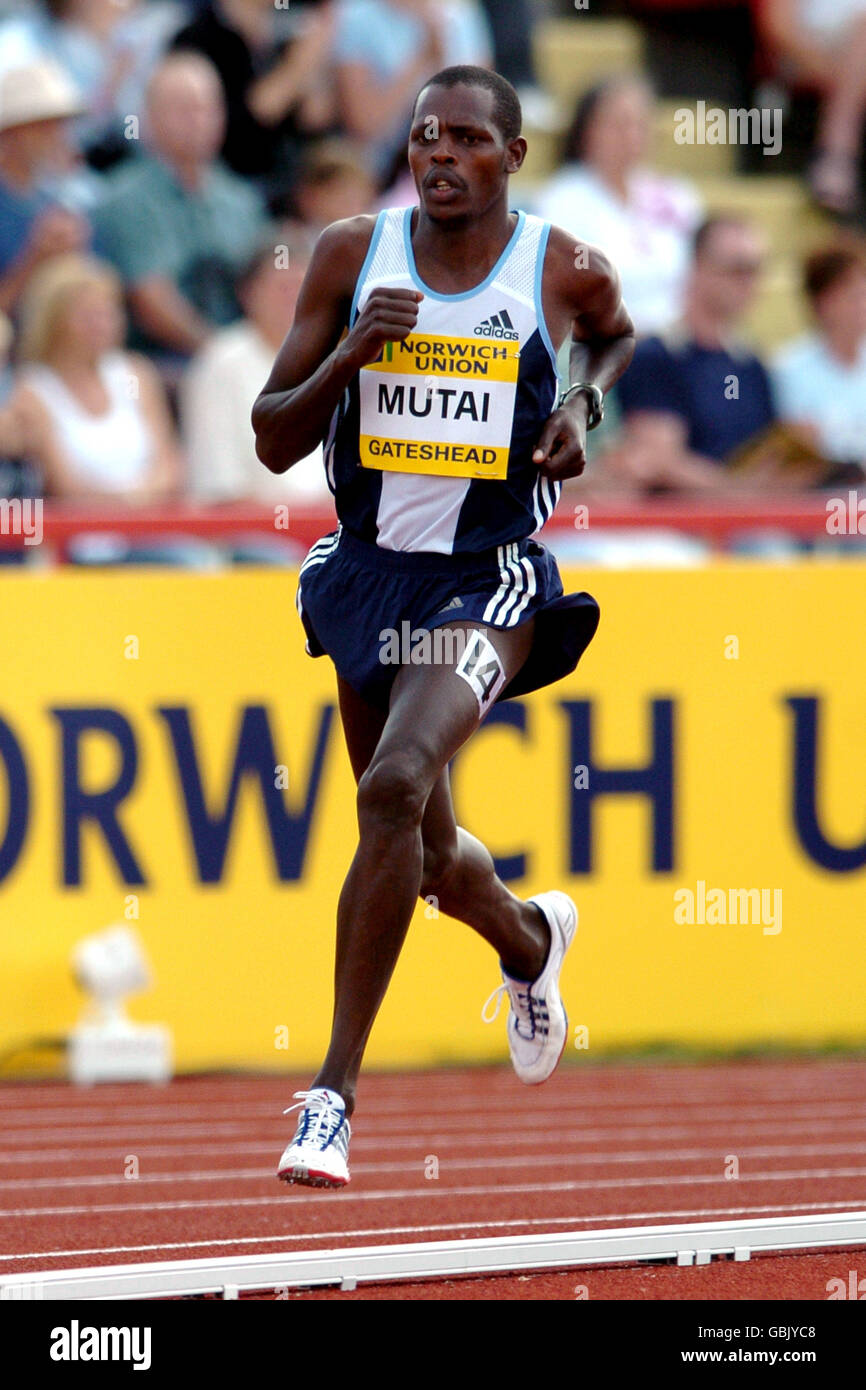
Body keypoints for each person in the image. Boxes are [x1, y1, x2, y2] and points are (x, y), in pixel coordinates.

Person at [252, 65, 635, 1187]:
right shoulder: (347, 255)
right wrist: (350, 355)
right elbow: (274, 437)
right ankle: (526, 939)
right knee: (422, 856)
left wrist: (578, 403)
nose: (441, 156)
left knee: (391, 784)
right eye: (425, 136)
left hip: (487, 577)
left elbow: (609, 336)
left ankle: (330, 1096)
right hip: (367, 575)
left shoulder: (556, 265)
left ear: (512, 157)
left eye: (468, 138)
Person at [92, 51, 267, 357]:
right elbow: (150, 301)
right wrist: (221, 356)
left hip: (241, 359)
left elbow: (262, 286)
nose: (198, 121)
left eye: (207, 108)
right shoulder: (124, 199)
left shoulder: (242, 199)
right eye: (183, 110)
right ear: (149, 118)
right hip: (162, 365)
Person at [612, 216, 778, 494]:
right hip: (677, 527)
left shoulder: (751, 365)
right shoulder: (655, 357)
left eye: (755, 269)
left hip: (748, 521)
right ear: (698, 268)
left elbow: (768, 455)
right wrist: (739, 491)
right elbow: (659, 462)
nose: (749, 282)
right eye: (738, 268)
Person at [534, 77, 703, 337]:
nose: (632, 136)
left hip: (680, 342)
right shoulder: (561, 201)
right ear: (588, 130)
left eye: (641, 124)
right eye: (620, 124)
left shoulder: (677, 194)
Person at [12, 253, 182, 503]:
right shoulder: (34, 390)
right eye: (88, 316)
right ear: (54, 322)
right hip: (81, 529)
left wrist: (141, 498)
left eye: (109, 313)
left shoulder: (134, 376)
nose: (102, 325)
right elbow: (63, 487)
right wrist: (123, 503)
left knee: (185, 545)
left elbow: (167, 462)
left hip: (149, 522)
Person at [182, 225, 333, 505]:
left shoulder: (336, 356)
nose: (292, 299)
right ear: (247, 293)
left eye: (301, 287)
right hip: (250, 530)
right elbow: (219, 485)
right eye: (282, 287)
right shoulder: (220, 362)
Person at [171, 0, 337, 209]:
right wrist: (299, 66)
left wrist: (317, 59)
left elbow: (314, 117)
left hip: (289, 186)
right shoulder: (196, 38)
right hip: (225, 188)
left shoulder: (283, 34)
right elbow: (255, 115)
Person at [333, 0, 492, 183]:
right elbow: (365, 125)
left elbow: (480, 112)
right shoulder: (355, 16)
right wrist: (421, 59)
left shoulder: (460, 12)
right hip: (377, 171)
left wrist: (439, 65)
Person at [0, 58, 90, 314]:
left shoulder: (63, 202)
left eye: (60, 124)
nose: (55, 135)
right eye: (41, 125)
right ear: (9, 132)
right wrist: (35, 260)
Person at [760, 0, 866, 215]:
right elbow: (779, 28)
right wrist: (844, 78)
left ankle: (836, 157)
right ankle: (837, 151)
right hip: (809, 61)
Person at [772, 242, 866, 474]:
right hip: (819, 500)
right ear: (823, 302)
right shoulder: (788, 370)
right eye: (853, 296)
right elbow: (797, 451)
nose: (862, 306)